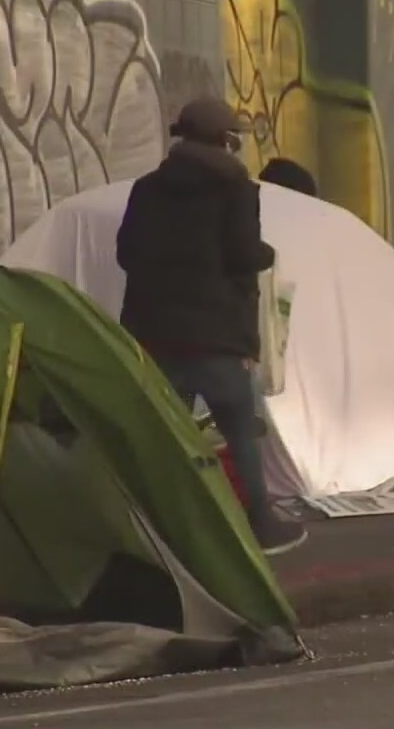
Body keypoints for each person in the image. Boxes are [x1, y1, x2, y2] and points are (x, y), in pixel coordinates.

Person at [116, 97, 306, 555]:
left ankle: (166, 531)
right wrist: (267, 254)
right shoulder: (237, 190)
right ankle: (259, 524)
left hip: (155, 337)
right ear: (226, 140)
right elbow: (243, 258)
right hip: (216, 338)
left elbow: (126, 253)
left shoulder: (146, 188)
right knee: (240, 429)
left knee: (168, 439)